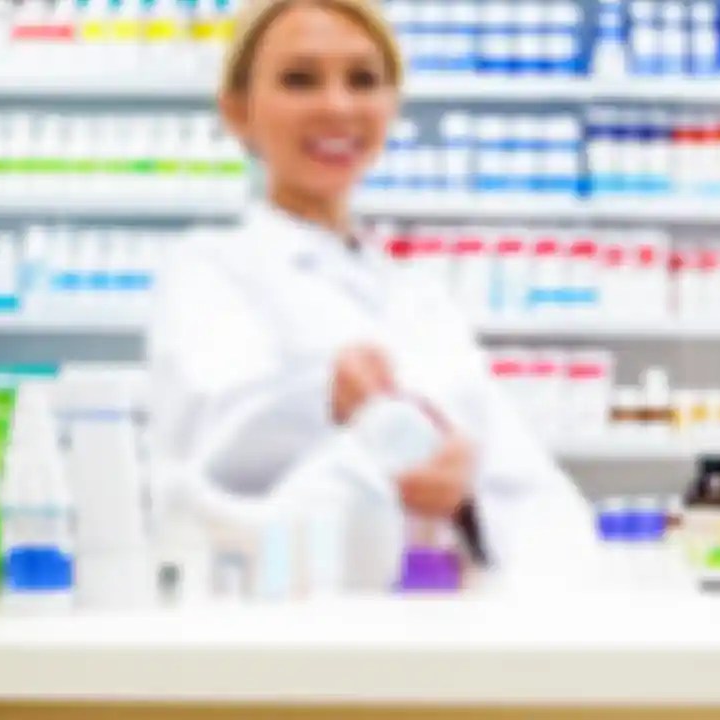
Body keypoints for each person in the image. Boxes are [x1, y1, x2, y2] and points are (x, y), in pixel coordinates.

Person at [150, 0, 594, 590]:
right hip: (282, 637)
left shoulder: (417, 298)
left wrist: (466, 493)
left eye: (363, 80)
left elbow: (528, 486)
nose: (337, 106)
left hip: (434, 636)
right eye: (299, 80)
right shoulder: (211, 270)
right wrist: (322, 397)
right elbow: (208, 456)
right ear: (237, 112)